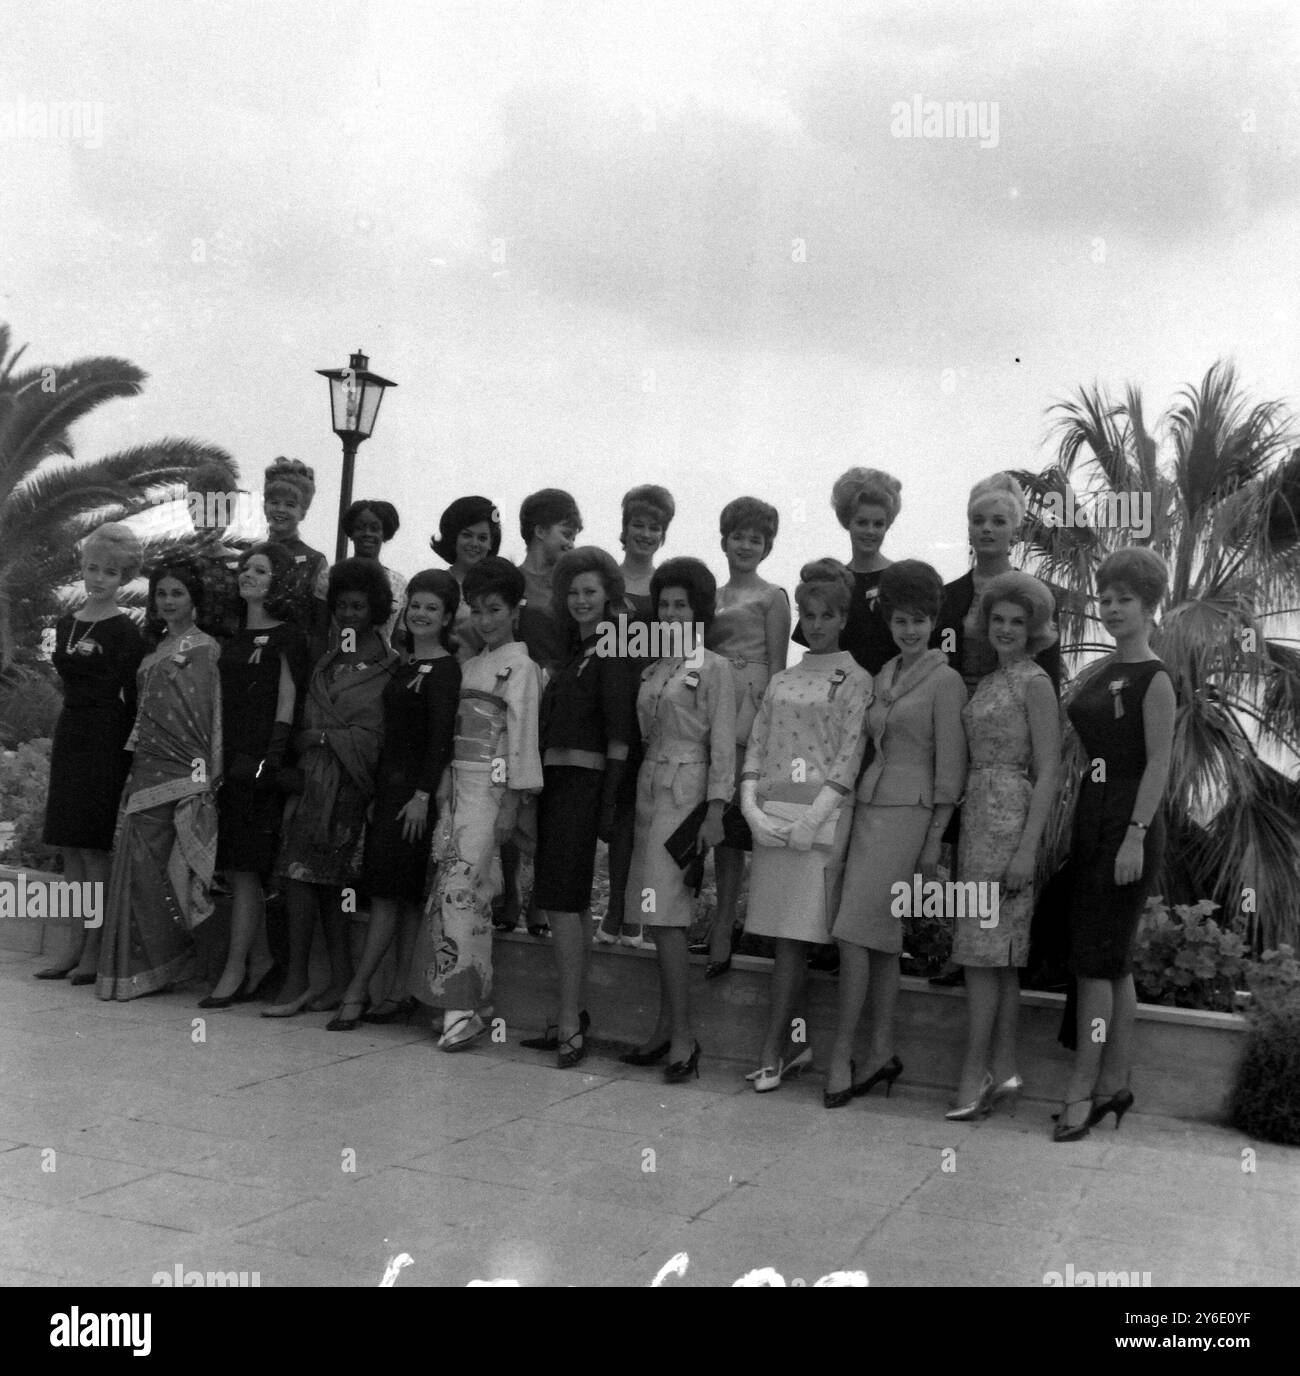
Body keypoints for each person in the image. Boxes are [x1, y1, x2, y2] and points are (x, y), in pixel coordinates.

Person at [826, 560, 966, 1106]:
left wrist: (933, 842)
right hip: (869, 808)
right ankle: (881, 1051)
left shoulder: (946, 680)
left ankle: (842, 1052)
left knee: (853, 931)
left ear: (934, 621)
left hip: (909, 816)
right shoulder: (884, 674)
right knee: (881, 942)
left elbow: (950, 772)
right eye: (900, 620)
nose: (909, 630)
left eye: (919, 620)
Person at [1054, 548, 1174, 1141]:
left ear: (1151, 607)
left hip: (1128, 822)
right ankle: (1114, 1083)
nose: (1112, 608)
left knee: (1095, 965)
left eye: (1125, 599)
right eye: (1106, 598)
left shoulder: (1155, 678)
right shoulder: (1101, 673)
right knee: (1113, 962)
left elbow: (1158, 764)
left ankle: (1082, 1087)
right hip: (1091, 813)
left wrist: (1135, 835)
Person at [739, 560, 872, 1092]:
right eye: (809, 615)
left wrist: (813, 820)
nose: (816, 624)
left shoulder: (857, 681)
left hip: (817, 827)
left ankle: (773, 1049)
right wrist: (750, 808)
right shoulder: (782, 679)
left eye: (827, 615)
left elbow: (848, 758)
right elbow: (757, 744)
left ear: (843, 617)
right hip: (770, 821)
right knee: (780, 941)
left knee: (798, 943)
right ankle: (794, 1044)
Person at [408, 557, 543, 1050]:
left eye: (496, 610)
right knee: (458, 888)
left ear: (514, 611)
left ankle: (463, 1006)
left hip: (490, 786)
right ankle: (466, 1002)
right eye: (479, 610)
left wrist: (511, 803)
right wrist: (444, 779)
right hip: (458, 789)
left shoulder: (522, 667)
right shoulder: (470, 665)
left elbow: (521, 740)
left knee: (463, 892)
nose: (485, 620)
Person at [947, 572, 1061, 1119]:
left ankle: (977, 1070)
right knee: (994, 958)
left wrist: (1026, 850)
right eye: (999, 619)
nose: (1007, 629)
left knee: (986, 954)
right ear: (985, 622)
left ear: (1034, 628)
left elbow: (1052, 771)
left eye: (1019, 621)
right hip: (977, 821)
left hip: (1010, 820)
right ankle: (1004, 1066)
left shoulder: (1035, 683)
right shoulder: (990, 681)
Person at [619, 557, 736, 1083]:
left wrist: (715, 811)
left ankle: (685, 1038)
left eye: (681, 605)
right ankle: (666, 1029)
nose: (670, 614)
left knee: (669, 917)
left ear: (699, 611)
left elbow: (723, 747)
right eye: (663, 604)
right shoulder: (652, 670)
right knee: (656, 917)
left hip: (688, 795)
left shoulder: (714, 668)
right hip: (650, 789)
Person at [264, 559, 396, 1017]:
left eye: (359, 605)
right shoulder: (327, 657)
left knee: (326, 884)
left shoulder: (388, 665)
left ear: (375, 607)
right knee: (298, 879)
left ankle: (330, 979)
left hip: (350, 789)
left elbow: (376, 736)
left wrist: (322, 738)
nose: (350, 614)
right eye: (342, 605)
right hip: (310, 787)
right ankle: (310, 977)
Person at [329, 572, 461, 1030]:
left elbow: (440, 740)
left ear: (446, 618)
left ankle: (356, 991)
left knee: (387, 896)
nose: (421, 614)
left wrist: (423, 795)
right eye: (416, 605)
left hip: (414, 801)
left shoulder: (446, 669)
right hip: (387, 794)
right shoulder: (403, 665)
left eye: (432, 608)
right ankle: (400, 992)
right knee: (399, 898)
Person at [522, 547, 637, 1068]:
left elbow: (619, 735)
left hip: (585, 784)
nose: (581, 600)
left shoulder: (614, 648)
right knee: (559, 900)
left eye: (591, 591)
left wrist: (609, 800)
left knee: (566, 902)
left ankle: (571, 1022)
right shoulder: (576, 650)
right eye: (573, 592)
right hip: (555, 781)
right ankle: (570, 1014)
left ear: (609, 593)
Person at [96, 559, 223, 1000]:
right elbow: (144, 718)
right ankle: (132, 971)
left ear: (195, 601)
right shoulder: (153, 654)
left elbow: (208, 717)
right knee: (137, 870)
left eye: (177, 594)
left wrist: (204, 775)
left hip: (185, 771)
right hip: (146, 768)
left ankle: (168, 966)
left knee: (171, 875)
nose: (168, 602)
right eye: (162, 594)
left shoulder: (206, 649)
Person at [36, 524, 146, 983]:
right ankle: (72, 945)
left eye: (111, 572)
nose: (99, 578)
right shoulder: (65, 623)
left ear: (124, 576)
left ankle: (95, 950)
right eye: (92, 568)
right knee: (69, 848)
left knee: (94, 848)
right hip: (71, 732)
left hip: (106, 737)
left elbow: (134, 695)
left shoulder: (125, 630)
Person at [202, 543, 310, 1008]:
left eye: (260, 569)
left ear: (278, 582)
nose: (248, 574)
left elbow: (287, 706)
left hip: (260, 771)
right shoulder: (231, 638)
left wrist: (268, 764)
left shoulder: (288, 637)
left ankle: (234, 969)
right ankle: (261, 959)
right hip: (228, 765)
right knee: (235, 868)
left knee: (247, 872)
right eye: (244, 567)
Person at [700, 497, 790, 978]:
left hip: (752, 709)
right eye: (739, 536)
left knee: (736, 819)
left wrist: (766, 729)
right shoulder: (711, 596)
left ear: (767, 546)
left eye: (756, 539)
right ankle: (716, 919)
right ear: (724, 540)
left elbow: (778, 667)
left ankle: (731, 925)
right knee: (715, 820)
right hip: (714, 702)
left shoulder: (774, 596)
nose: (746, 545)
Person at [600, 484, 676, 945]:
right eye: (638, 525)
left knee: (637, 814)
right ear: (624, 528)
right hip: (604, 703)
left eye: (655, 527)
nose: (645, 534)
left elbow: (676, 645)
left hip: (648, 708)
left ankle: (630, 916)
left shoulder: (665, 587)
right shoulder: (607, 581)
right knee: (605, 808)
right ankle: (603, 910)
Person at [792, 468, 902, 675]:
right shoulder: (830, 579)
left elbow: (937, 639)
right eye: (862, 522)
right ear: (847, 522)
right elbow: (815, 644)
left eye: (878, 524)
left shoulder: (900, 579)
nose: (870, 531)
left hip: (891, 695)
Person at [262, 457, 329, 657]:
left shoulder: (315, 561)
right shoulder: (251, 556)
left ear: (303, 512)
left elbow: (321, 627)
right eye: (274, 502)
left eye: (290, 504)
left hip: (294, 656)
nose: (280, 509)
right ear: (264, 507)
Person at [430, 495, 503, 664]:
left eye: (482, 538)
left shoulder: (500, 589)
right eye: (467, 535)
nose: (474, 543)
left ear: (492, 543)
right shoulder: (433, 585)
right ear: (453, 537)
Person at [331, 500, 407, 646]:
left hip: (386, 664)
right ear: (351, 533)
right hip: (344, 661)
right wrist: (351, 662)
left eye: (374, 528)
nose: (367, 533)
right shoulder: (331, 577)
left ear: (384, 533)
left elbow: (396, 638)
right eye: (360, 528)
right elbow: (320, 633)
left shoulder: (398, 583)